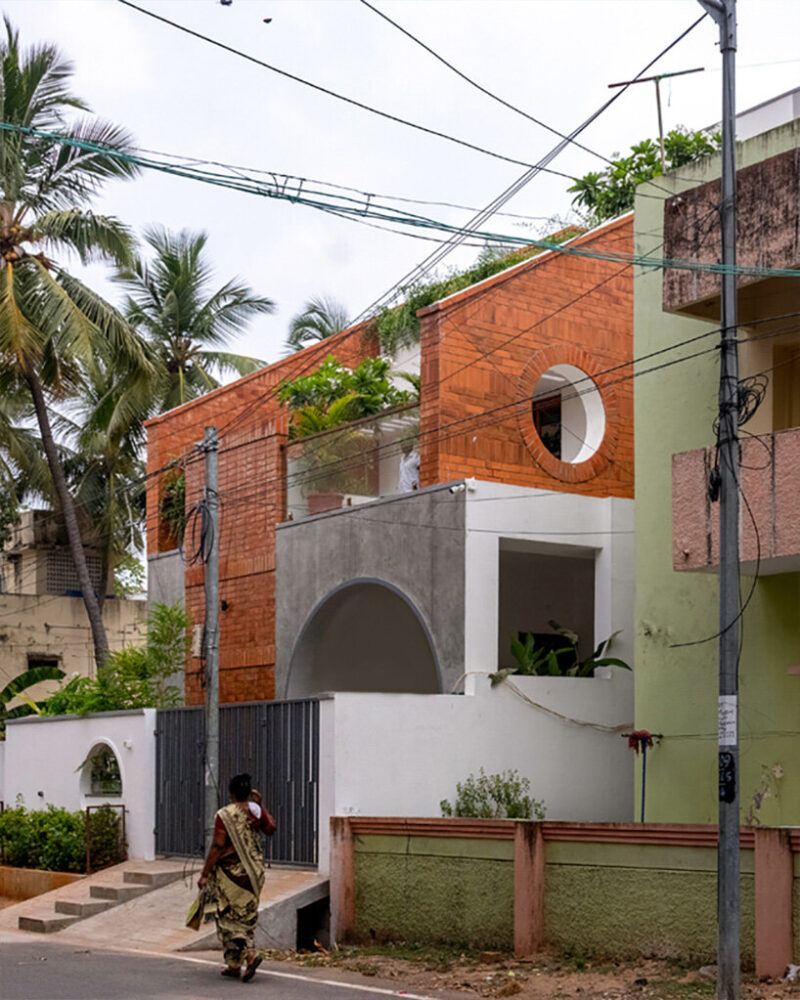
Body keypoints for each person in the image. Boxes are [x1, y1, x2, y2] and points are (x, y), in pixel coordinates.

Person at [198, 772, 277, 981]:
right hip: (254, 873)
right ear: (249, 792)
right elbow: (271, 829)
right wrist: (261, 806)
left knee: (228, 919)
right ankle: (234, 965)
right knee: (246, 916)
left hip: (231, 875)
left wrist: (205, 874)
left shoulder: (224, 815)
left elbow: (217, 846)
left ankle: (250, 955)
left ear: (231, 793)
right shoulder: (256, 811)